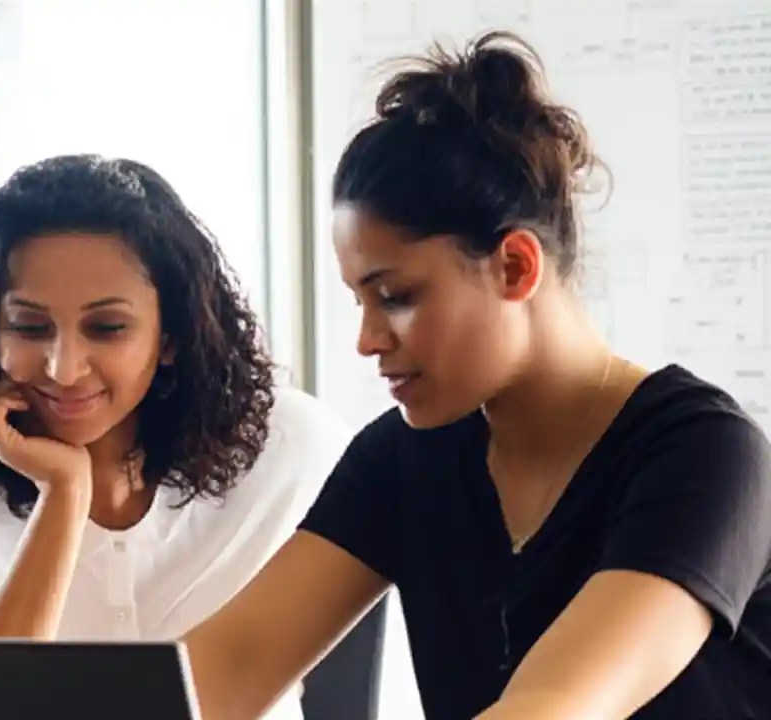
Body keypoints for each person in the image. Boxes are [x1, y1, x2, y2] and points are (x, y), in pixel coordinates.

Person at [178, 31, 771, 720]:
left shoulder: (706, 455)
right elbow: (220, 672)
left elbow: (556, 706)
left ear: (515, 266)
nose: (368, 340)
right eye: (359, 301)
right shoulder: (401, 459)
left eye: (395, 296)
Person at [0, 155, 349, 718]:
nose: (64, 367)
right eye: (30, 327)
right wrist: (64, 496)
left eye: (107, 328)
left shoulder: (293, 447)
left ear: (170, 336)